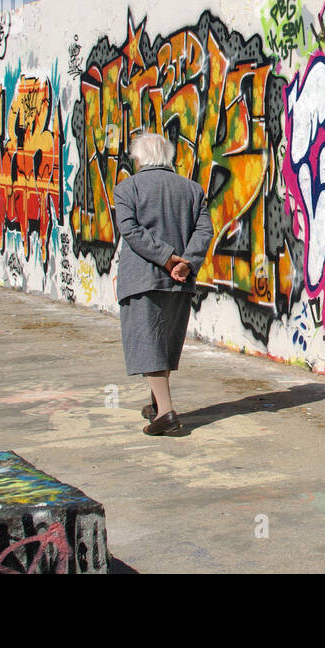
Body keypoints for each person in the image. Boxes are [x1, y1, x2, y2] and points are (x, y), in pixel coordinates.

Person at [113, 132, 214, 435]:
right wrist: (186, 262)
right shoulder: (192, 189)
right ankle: (157, 403)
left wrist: (167, 259)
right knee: (165, 342)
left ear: (140, 158)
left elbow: (130, 231)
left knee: (148, 345)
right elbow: (204, 230)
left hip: (143, 278)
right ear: (168, 156)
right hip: (180, 280)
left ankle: (166, 414)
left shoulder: (126, 188)